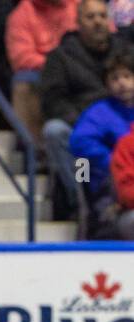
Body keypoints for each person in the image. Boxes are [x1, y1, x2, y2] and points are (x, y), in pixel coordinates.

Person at [40, 0, 127, 217]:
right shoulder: (61, 56)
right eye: (90, 17)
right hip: (83, 132)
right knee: (56, 132)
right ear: (78, 22)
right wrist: (89, 122)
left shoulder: (125, 52)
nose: (98, 22)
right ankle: (80, 198)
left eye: (102, 16)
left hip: (124, 126)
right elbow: (53, 101)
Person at [7, 0, 82, 145]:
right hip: (43, 72)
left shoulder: (80, 5)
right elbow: (21, 58)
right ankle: (35, 155)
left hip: (82, 68)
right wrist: (58, 65)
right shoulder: (21, 14)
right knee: (23, 81)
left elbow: (107, 37)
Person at [69, 50, 134, 209]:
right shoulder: (100, 112)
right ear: (107, 85)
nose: (121, 83)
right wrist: (112, 159)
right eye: (115, 79)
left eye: (127, 76)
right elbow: (79, 142)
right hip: (109, 179)